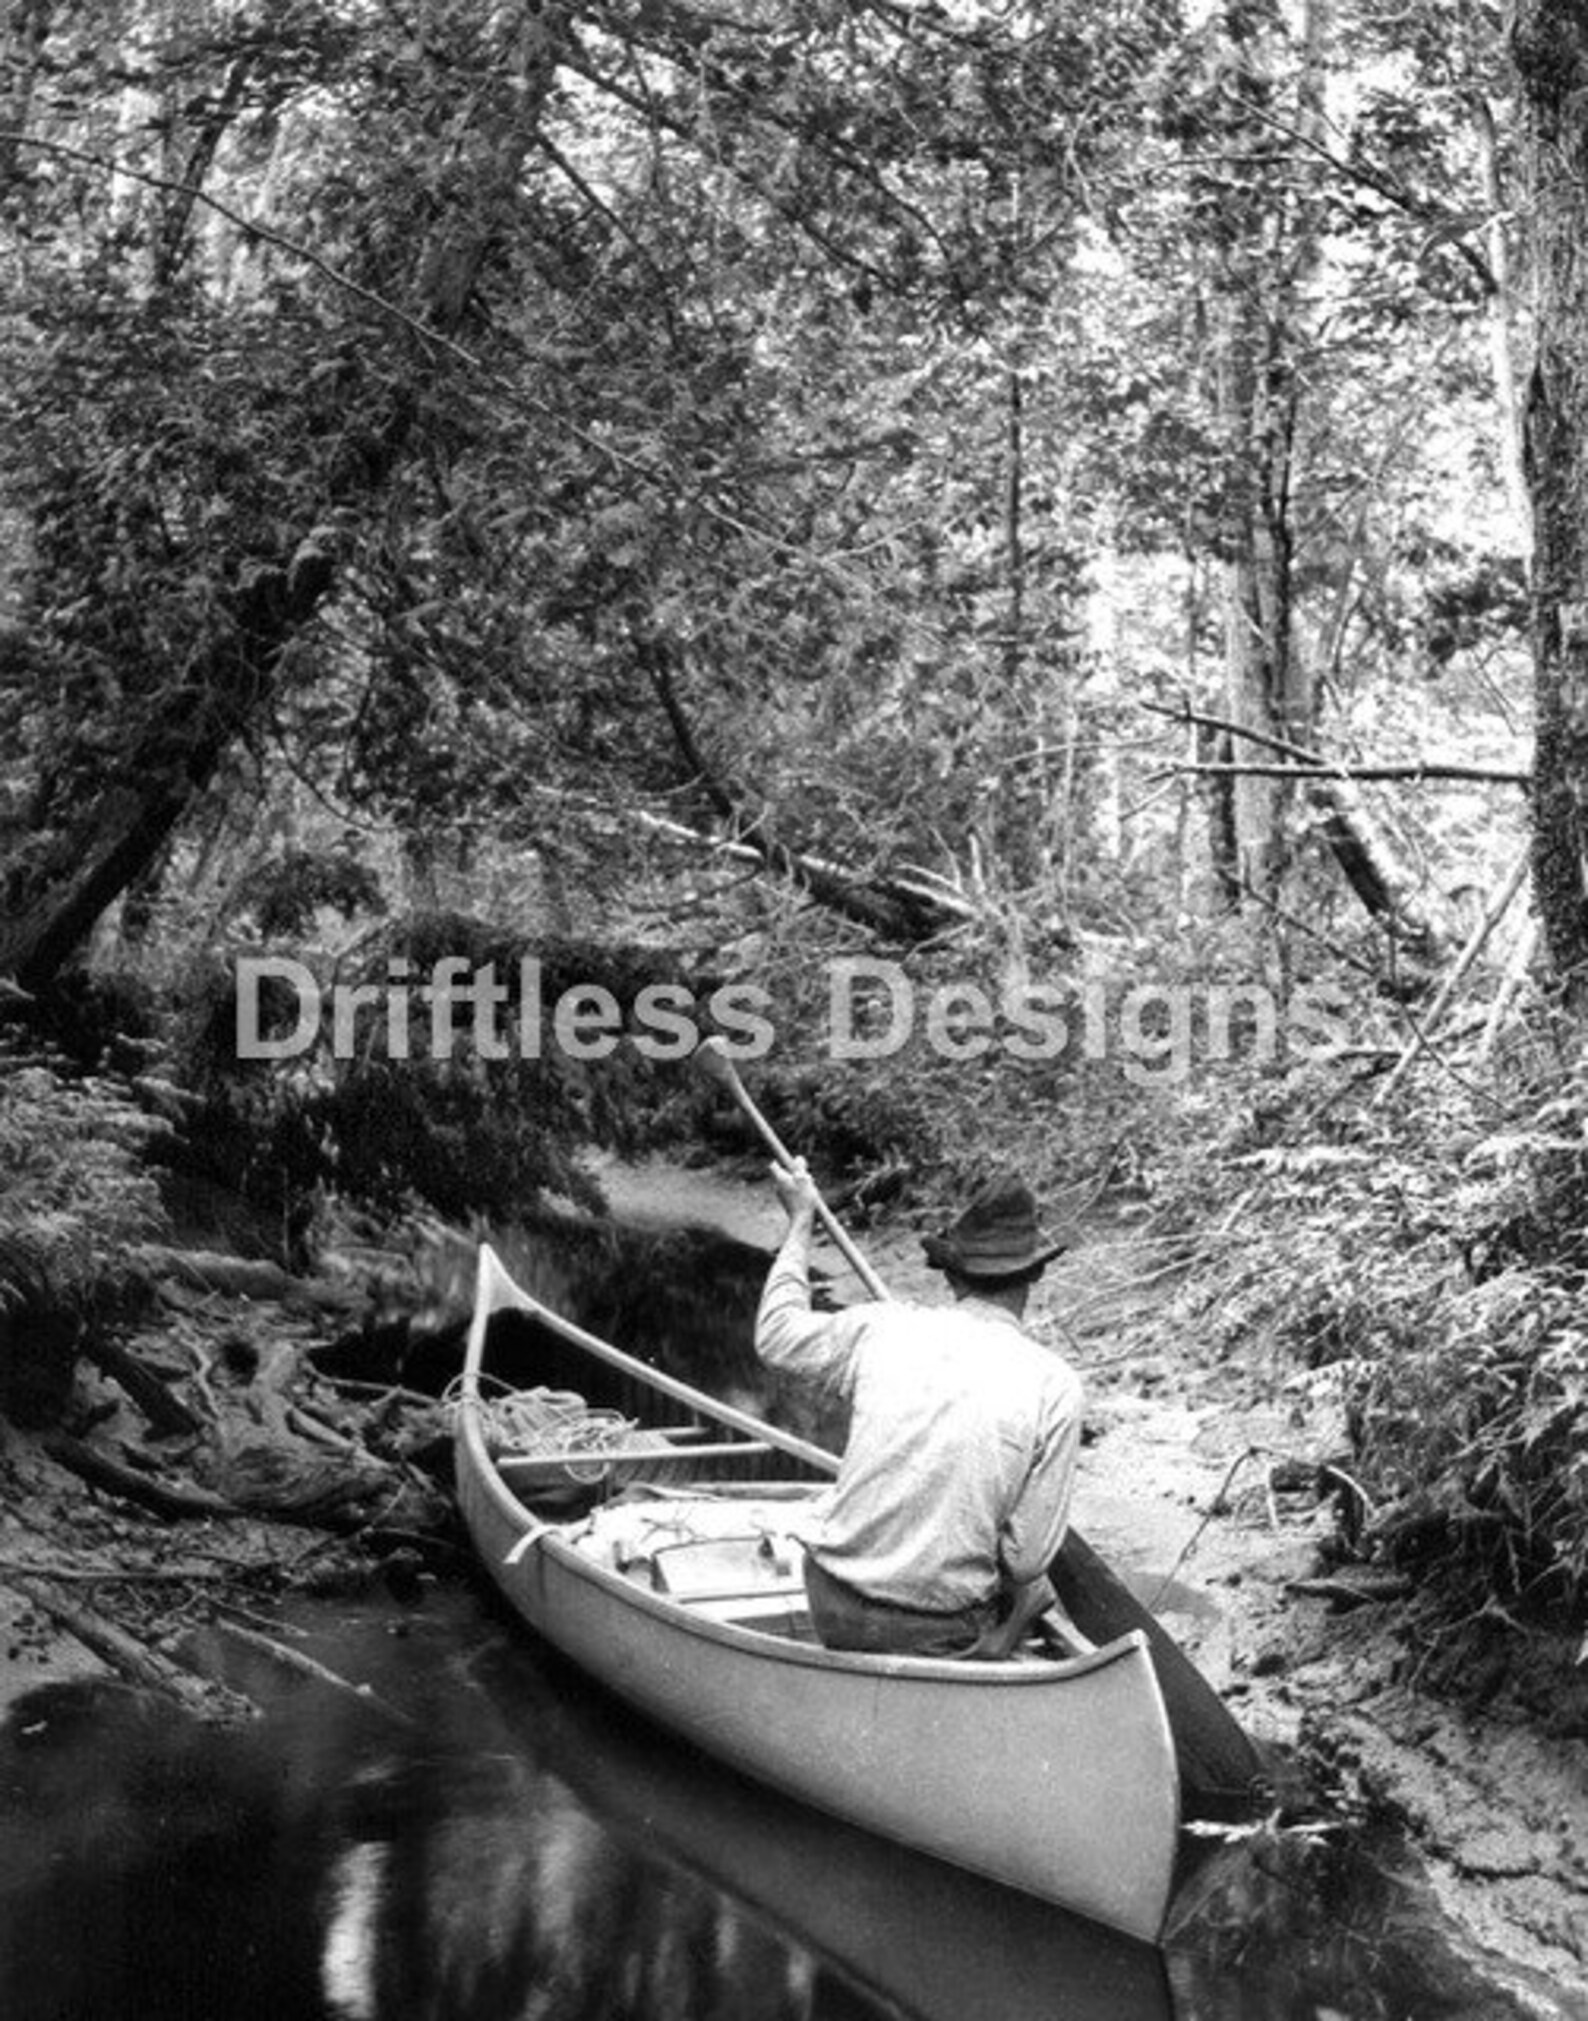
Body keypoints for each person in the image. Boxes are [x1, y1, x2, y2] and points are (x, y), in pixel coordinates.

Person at [755, 1162, 1083, 1659]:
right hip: (935, 1631)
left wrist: (801, 1221)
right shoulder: (1055, 1384)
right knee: (1029, 1589)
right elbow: (1026, 1560)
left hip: (832, 1604)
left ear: (949, 1274)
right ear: (1036, 1272)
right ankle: (989, 1649)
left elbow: (777, 1335)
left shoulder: (882, 1327)